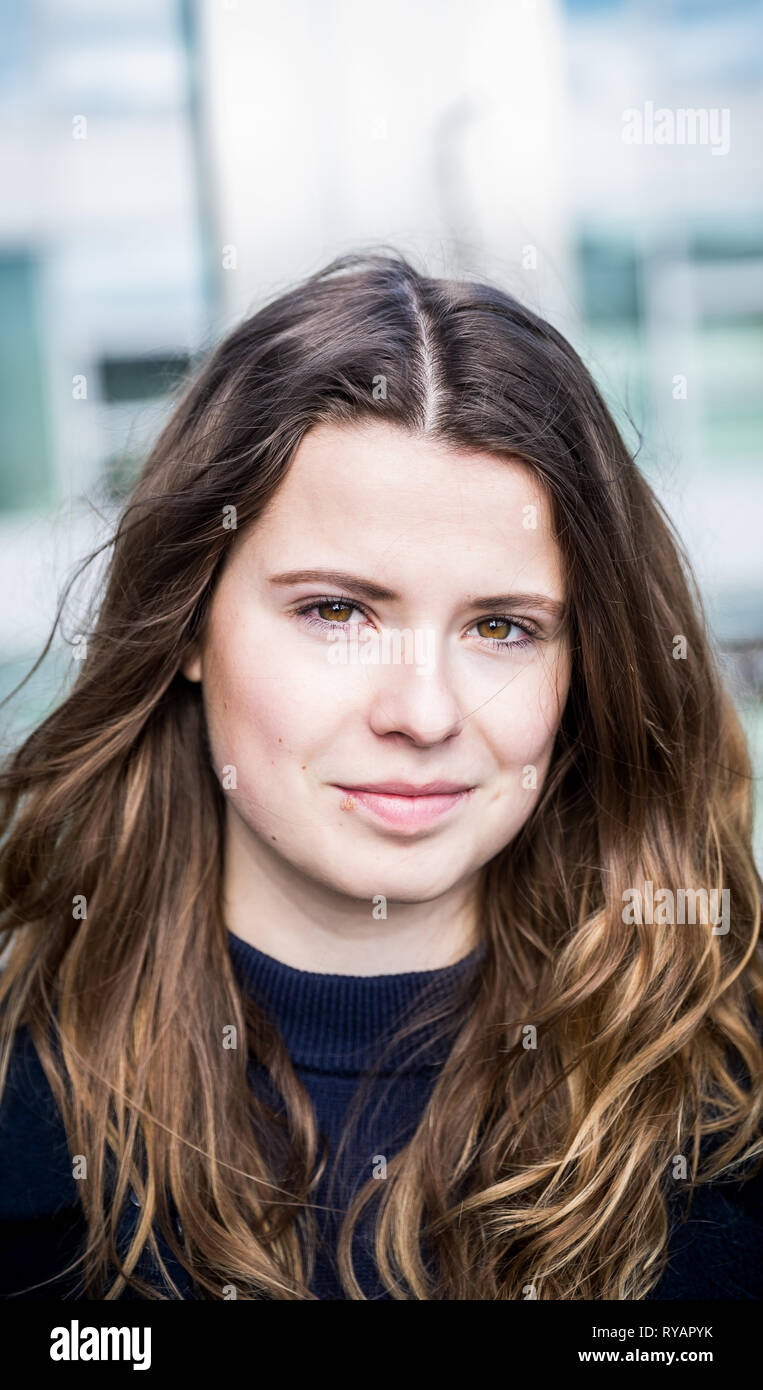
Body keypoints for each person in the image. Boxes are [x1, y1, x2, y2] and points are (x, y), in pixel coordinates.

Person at [0, 251, 760, 1301]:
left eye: (502, 627)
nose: (425, 712)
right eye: (336, 611)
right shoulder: (18, 1101)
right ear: (185, 624)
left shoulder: (734, 1109)